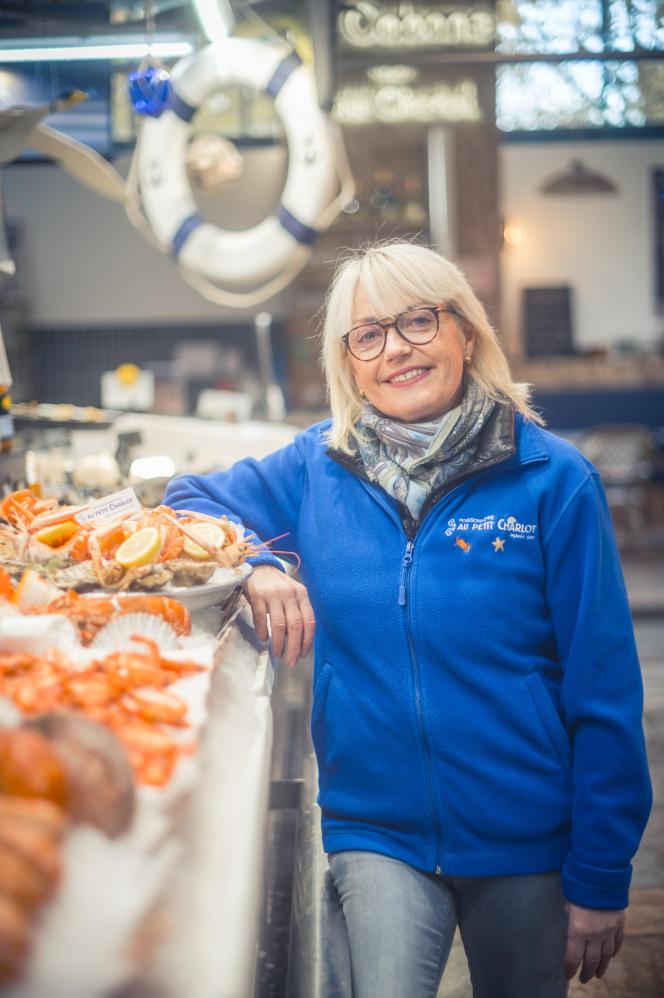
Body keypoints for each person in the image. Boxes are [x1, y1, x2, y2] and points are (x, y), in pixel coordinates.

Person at [165, 241, 652, 997]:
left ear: (464, 331)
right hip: (375, 830)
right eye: (368, 335)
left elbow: (605, 692)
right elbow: (186, 499)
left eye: (417, 322)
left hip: (526, 838)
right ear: (348, 360)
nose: (396, 349)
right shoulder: (317, 466)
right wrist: (256, 562)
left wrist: (600, 875)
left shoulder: (553, 479)